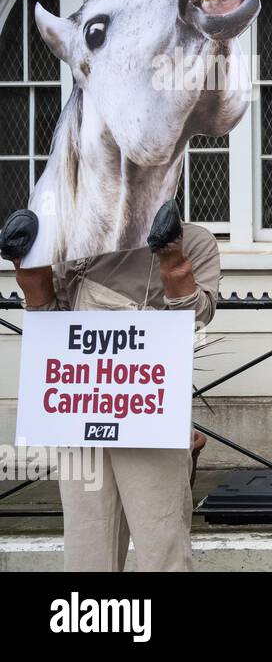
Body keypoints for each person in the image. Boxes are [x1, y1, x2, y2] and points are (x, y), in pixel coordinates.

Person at [5, 202, 217, 572]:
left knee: (161, 535)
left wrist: (173, 261)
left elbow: (192, 319)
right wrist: (31, 273)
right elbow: (52, 324)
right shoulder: (76, 243)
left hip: (149, 415)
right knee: (86, 537)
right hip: (81, 410)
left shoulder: (194, 241)